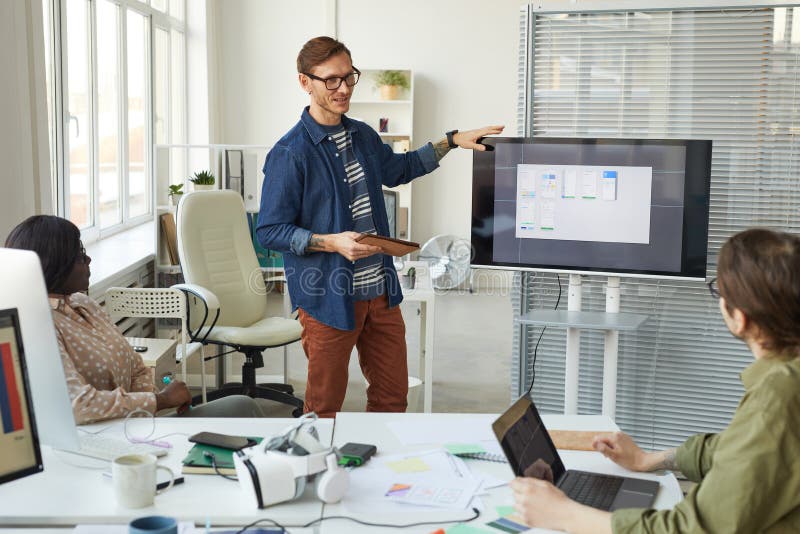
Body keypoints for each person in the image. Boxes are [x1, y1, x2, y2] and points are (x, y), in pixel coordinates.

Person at [256, 35, 504, 418]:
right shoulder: (290, 154)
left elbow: (400, 168)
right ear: (305, 82)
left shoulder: (363, 135)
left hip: (380, 295)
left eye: (349, 77)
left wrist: (451, 141)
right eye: (331, 80)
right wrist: (329, 242)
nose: (343, 89)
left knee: (392, 400)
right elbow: (269, 230)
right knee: (323, 409)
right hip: (328, 301)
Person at [511, 228, 800, 533]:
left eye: (719, 291)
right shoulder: (785, 389)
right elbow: (738, 450)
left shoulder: (778, 398)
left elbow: (691, 530)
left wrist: (563, 514)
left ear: (740, 318)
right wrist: (649, 460)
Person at [5, 215, 270, 424]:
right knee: (242, 409)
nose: (88, 258)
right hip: (102, 435)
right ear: (54, 264)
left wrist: (149, 406)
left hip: (136, 423)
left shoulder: (83, 303)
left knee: (243, 406)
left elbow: (138, 368)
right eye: (78, 256)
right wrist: (159, 401)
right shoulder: (37, 325)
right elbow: (77, 405)